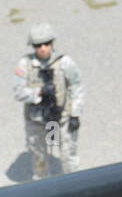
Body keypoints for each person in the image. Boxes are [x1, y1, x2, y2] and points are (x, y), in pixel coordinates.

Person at [13, 23, 83, 178]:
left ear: (52, 43)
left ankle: (75, 187)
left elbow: (75, 86)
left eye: (47, 44)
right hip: (37, 121)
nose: (43, 48)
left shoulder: (65, 62)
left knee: (68, 156)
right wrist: (39, 92)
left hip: (61, 118)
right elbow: (18, 93)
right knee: (40, 159)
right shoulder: (25, 65)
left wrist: (75, 114)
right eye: (38, 45)